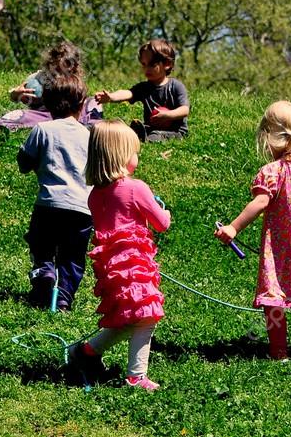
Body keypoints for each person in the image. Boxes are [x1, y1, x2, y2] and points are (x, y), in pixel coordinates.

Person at [214, 100, 291, 359]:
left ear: (266, 137)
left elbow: (260, 202)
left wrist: (233, 228)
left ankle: (279, 353)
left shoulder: (272, 171)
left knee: (274, 301)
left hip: (280, 251)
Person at [68, 119, 171, 390]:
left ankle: (86, 352)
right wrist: (165, 211)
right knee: (146, 317)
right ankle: (136, 377)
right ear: (122, 157)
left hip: (112, 271)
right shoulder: (136, 188)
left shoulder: (95, 195)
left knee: (129, 318)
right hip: (134, 266)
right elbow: (162, 223)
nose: (137, 156)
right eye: (134, 151)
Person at [16, 74, 94, 311]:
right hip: (82, 208)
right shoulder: (90, 135)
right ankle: (63, 298)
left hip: (49, 204)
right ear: (82, 106)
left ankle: (45, 274)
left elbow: (24, 163)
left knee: (42, 245)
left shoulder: (42, 129)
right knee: (72, 256)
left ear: (47, 104)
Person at [0, 40, 103, 135]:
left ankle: (95, 129)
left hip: (75, 117)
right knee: (18, 114)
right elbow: (16, 95)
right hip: (47, 116)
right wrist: (16, 94)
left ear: (74, 67)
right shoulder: (40, 78)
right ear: (50, 63)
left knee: (93, 102)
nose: (59, 73)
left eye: (65, 68)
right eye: (56, 68)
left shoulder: (75, 82)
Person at [94, 39, 189, 142]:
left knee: (156, 135)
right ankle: (136, 135)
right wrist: (111, 97)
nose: (147, 69)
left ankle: (142, 139)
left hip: (176, 132)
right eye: (144, 64)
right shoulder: (144, 87)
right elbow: (128, 93)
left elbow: (184, 110)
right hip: (151, 128)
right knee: (127, 130)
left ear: (167, 64)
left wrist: (167, 115)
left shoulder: (176, 86)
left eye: (152, 64)